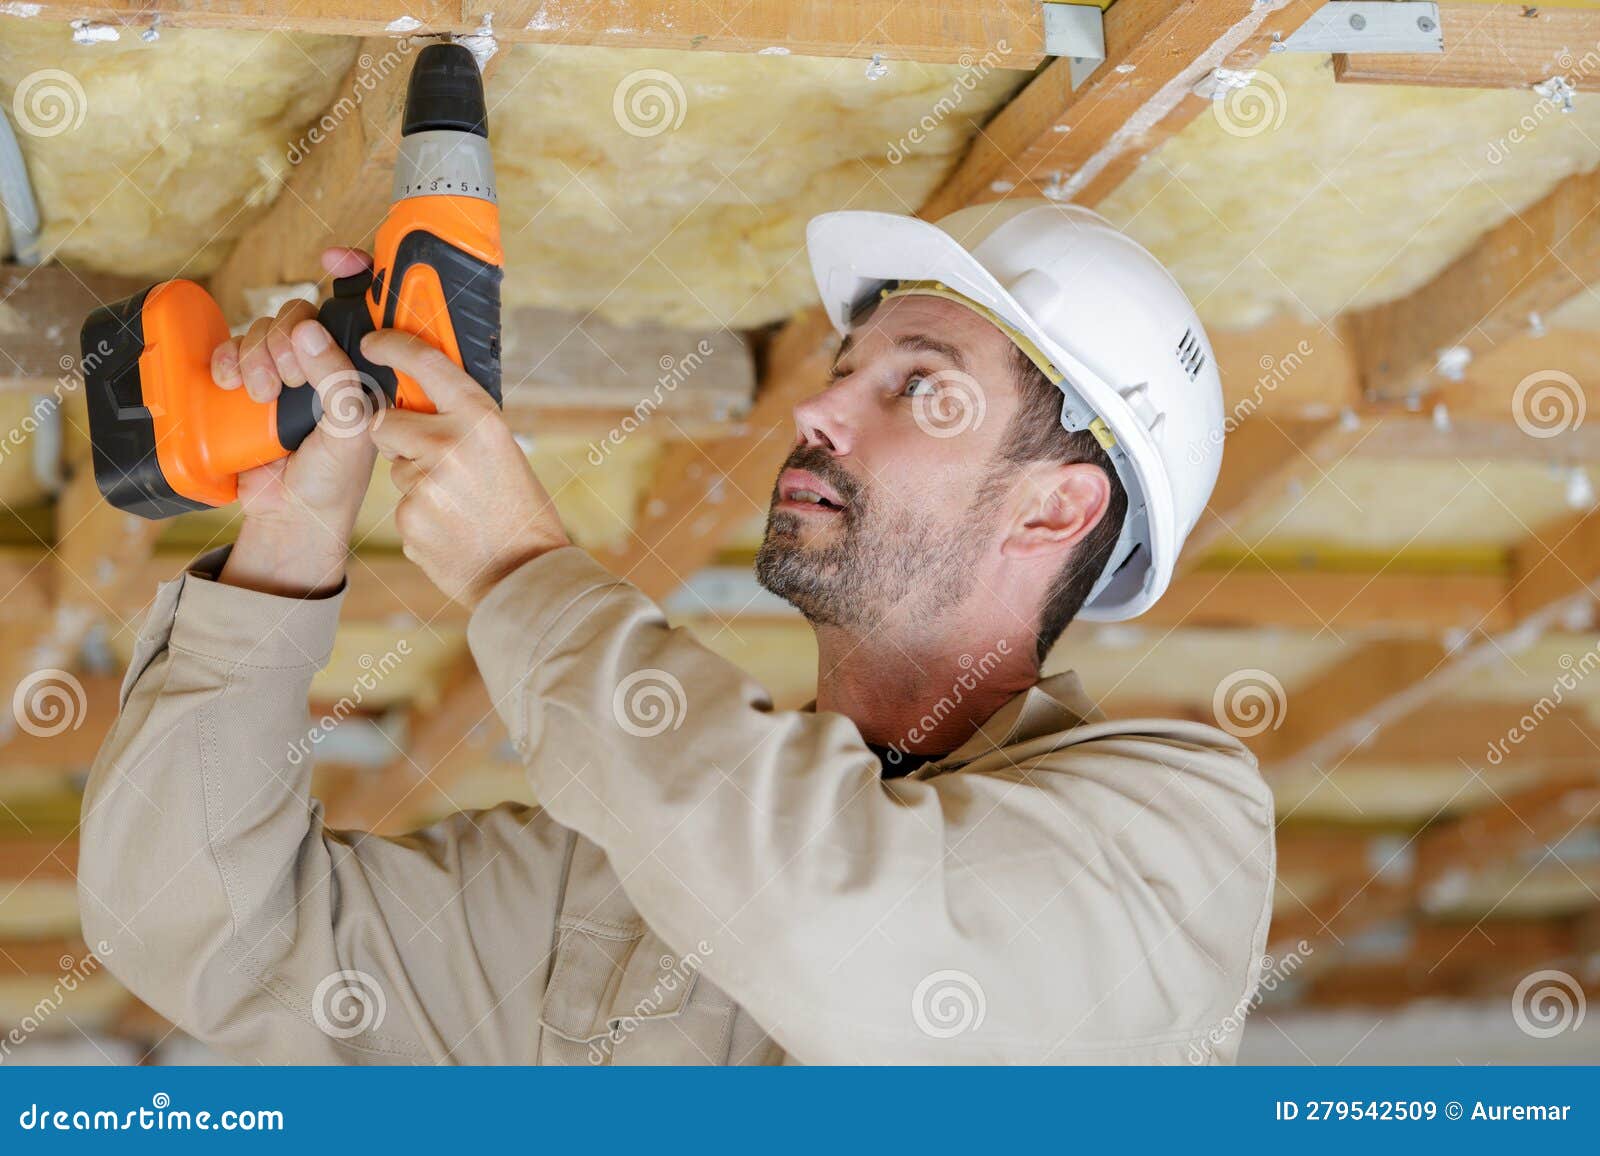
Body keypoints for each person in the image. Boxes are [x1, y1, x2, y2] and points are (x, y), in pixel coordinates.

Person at [79, 201, 1274, 1064]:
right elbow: (205, 931)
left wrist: (520, 571)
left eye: (916, 387)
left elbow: (860, 941)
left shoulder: (1175, 842)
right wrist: (287, 543)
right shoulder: (601, 889)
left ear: (1057, 504)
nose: (814, 407)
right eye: (842, 369)